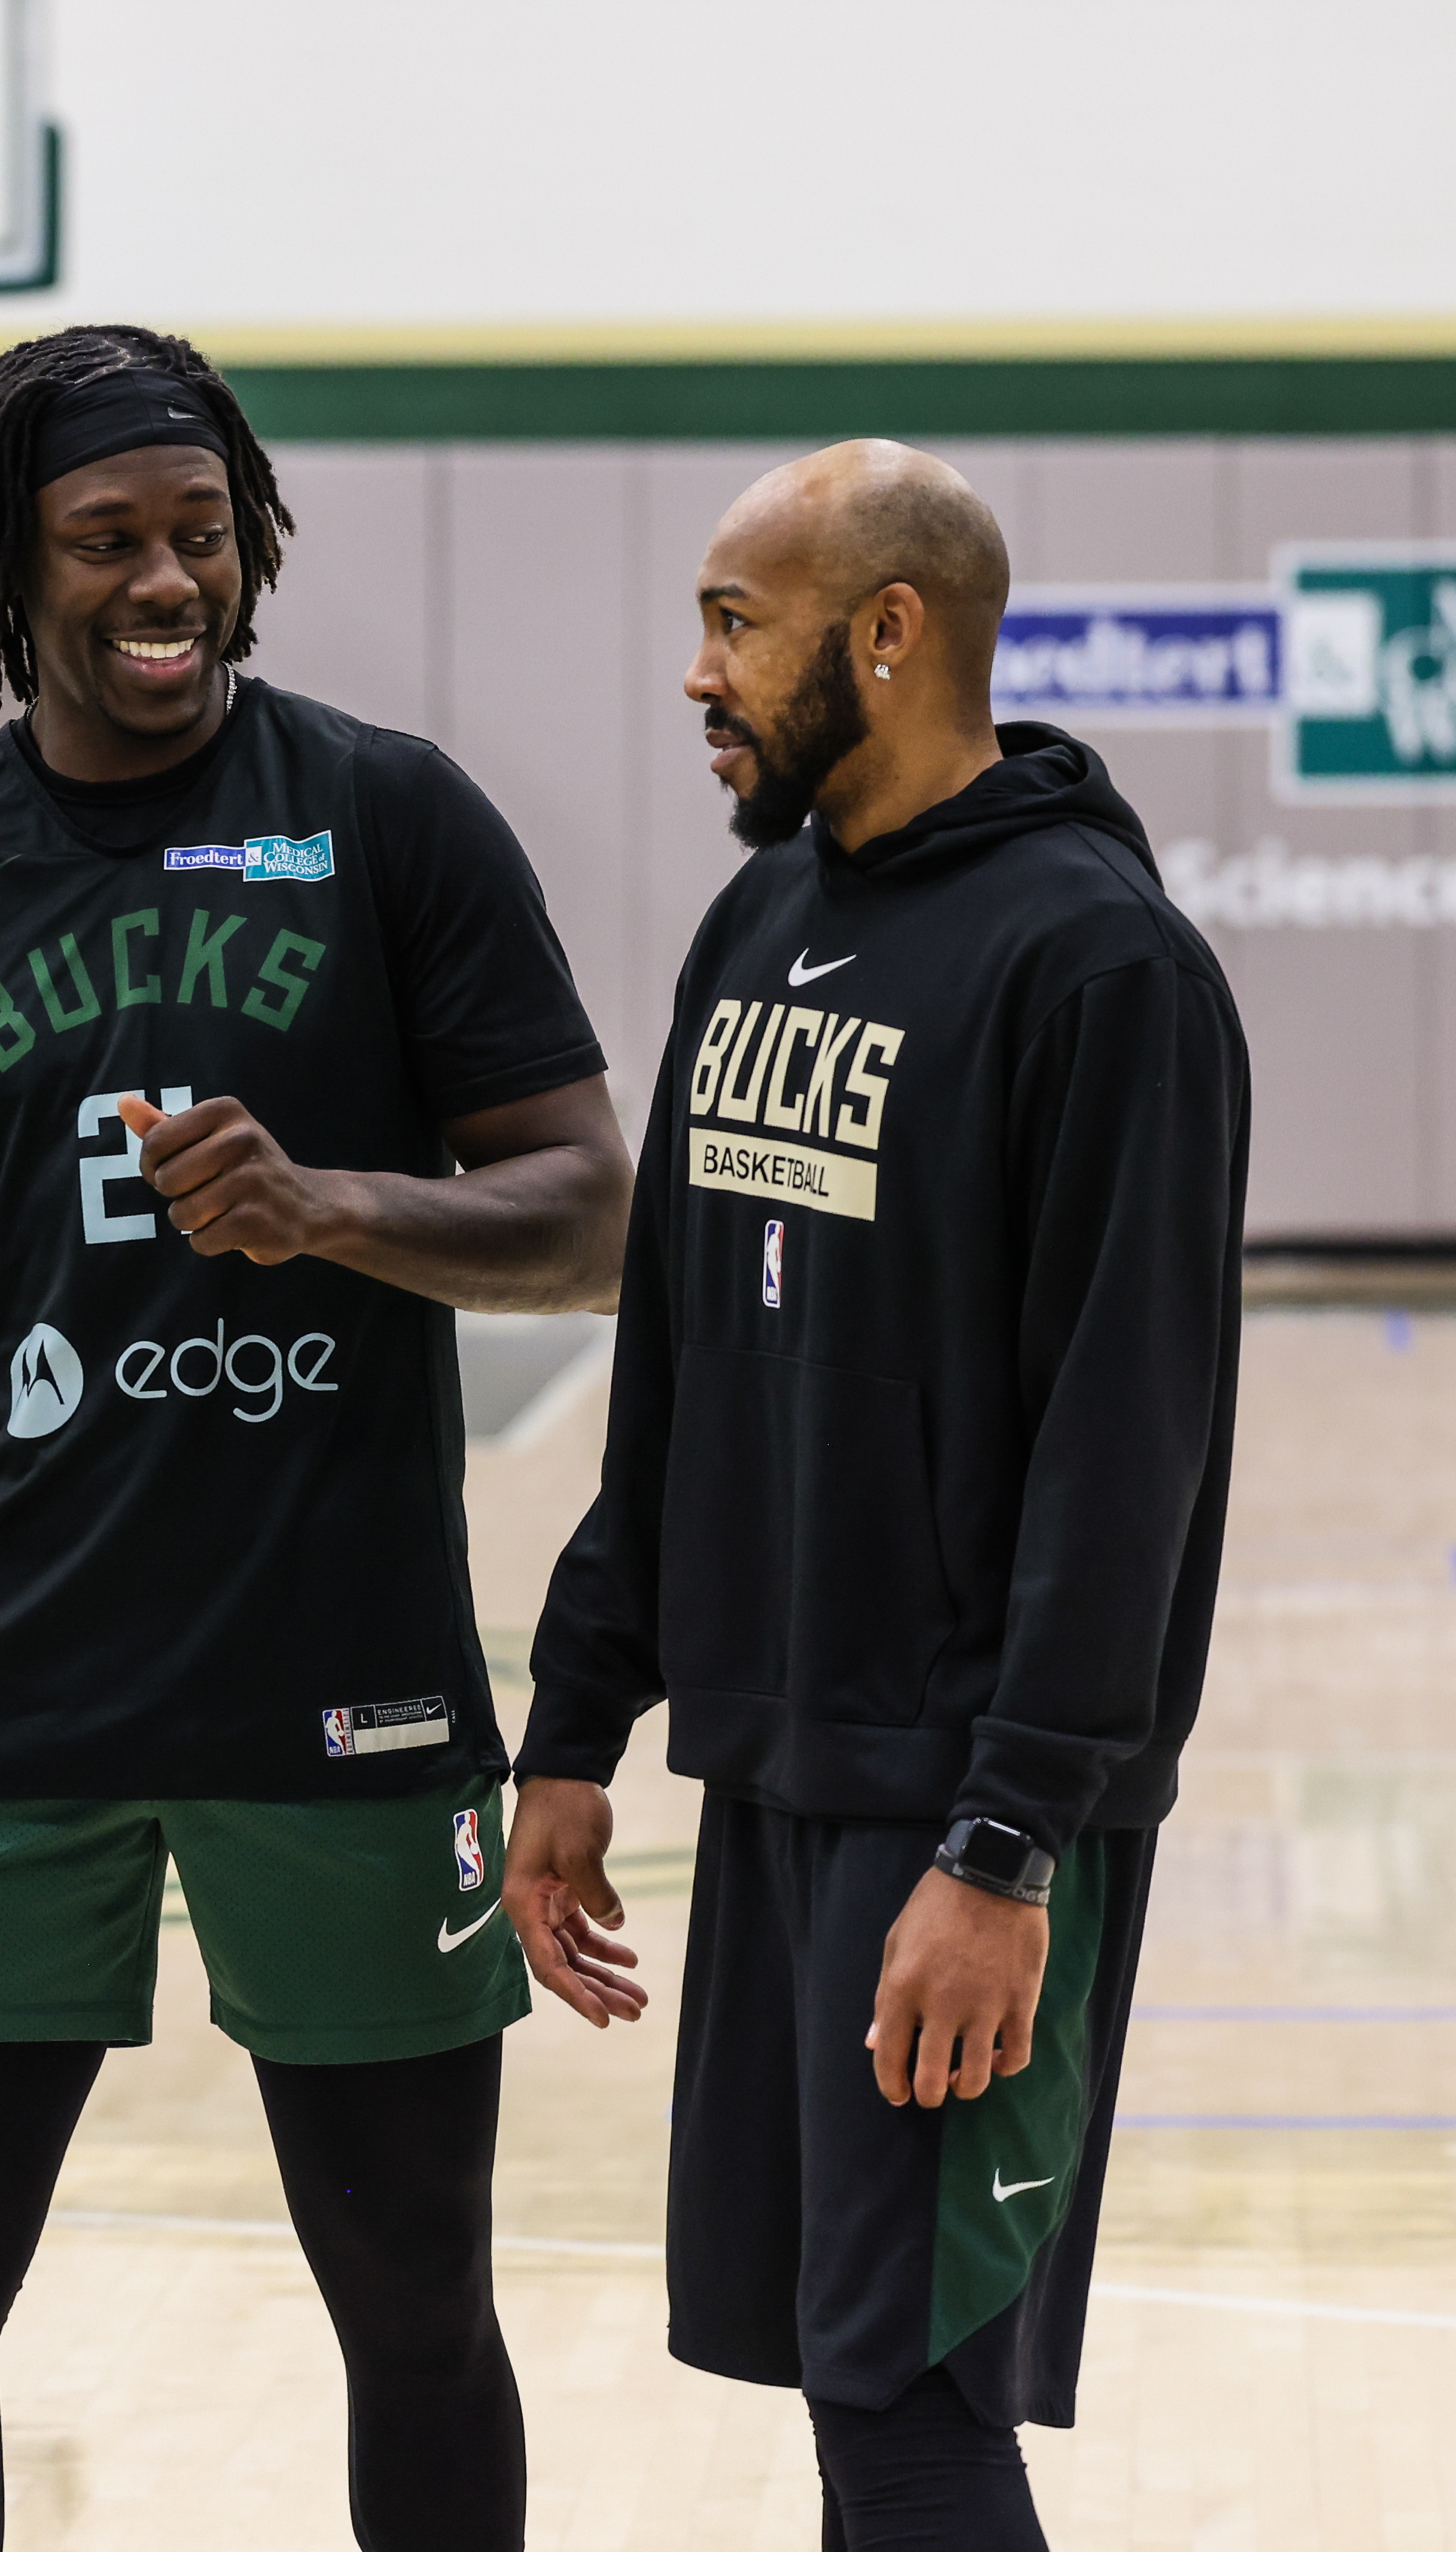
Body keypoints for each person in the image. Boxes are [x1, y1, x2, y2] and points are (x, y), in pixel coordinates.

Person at [0, 323, 632, 2552]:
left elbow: (586, 1218)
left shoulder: (388, 816)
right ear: (9, 565)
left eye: (200, 534)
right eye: (108, 540)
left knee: (417, 2308)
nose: (166, 577)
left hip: (341, 1684)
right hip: (0, 1690)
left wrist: (327, 1205)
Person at [501, 440, 1248, 2552]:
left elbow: (1132, 1452)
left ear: (889, 632)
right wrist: (578, 1714)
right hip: (782, 1774)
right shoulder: (759, 925)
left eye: (736, 622)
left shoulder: (1103, 972)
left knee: (912, 2402)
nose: (695, 673)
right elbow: (680, 1366)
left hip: (968, 1815)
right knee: (845, 2379)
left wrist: (1007, 1842)